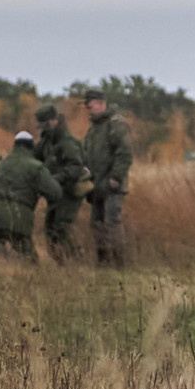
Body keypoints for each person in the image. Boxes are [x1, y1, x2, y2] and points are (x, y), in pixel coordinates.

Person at [0, 129, 64, 259]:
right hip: (18, 217)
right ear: (31, 146)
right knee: (28, 258)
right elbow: (55, 193)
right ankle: (23, 273)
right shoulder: (36, 167)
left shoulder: (1, 165)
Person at [79, 91, 134, 267]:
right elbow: (86, 157)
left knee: (112, 224)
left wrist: (115, 178)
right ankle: (103, 263)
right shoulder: (93, 131)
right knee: (97, 225)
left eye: (91, 104)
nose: (88, 109)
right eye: (87, 106)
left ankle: (118, 265)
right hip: (95, 186)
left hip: (112, 186)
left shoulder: (116, 126)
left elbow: (124, 154)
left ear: (101, 103)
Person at [34, 102, 90, 260]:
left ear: (53, 121)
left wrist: (56, 178)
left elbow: (76, 166)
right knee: (50, 228)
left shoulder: (67, 143)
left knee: (62, 226)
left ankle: (76, 261)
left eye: (45, 124)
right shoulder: (46, 142)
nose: (43, 128)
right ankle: (60, 261)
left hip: (70, 191)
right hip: (55, 192)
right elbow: (35, 157)